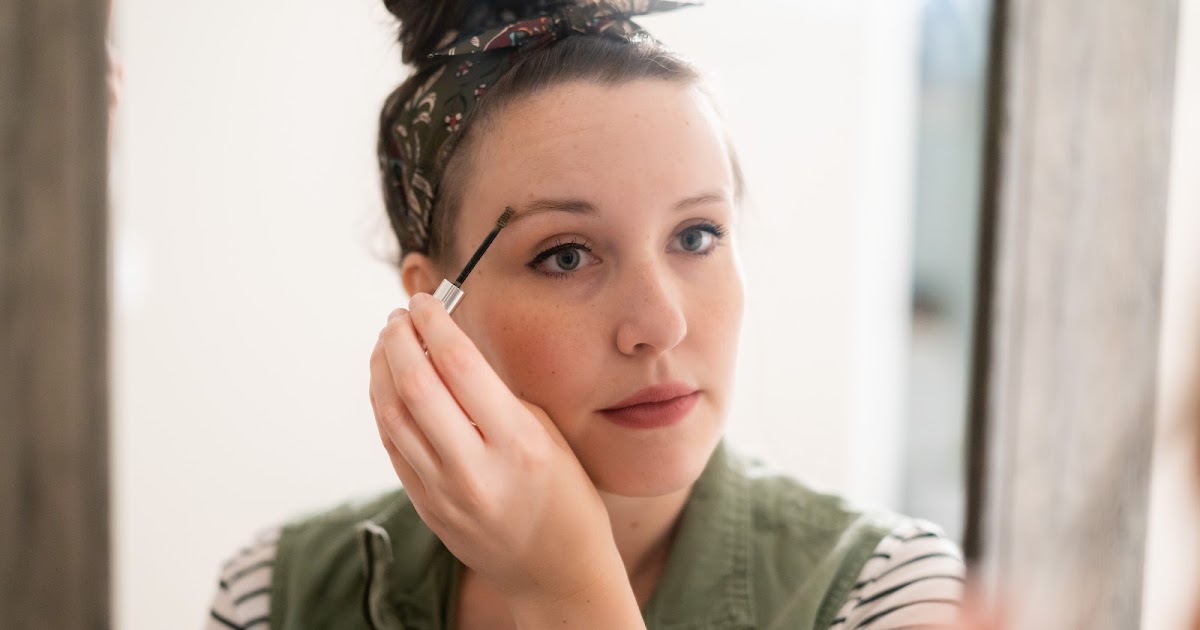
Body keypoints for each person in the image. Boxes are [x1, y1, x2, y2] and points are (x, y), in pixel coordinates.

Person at [206, 1, 965, 628]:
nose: (660, 324)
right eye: (566, 255)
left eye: (696, 236)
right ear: (434, 309)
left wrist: (567, 596)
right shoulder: (274, 598)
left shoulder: (886, 590)